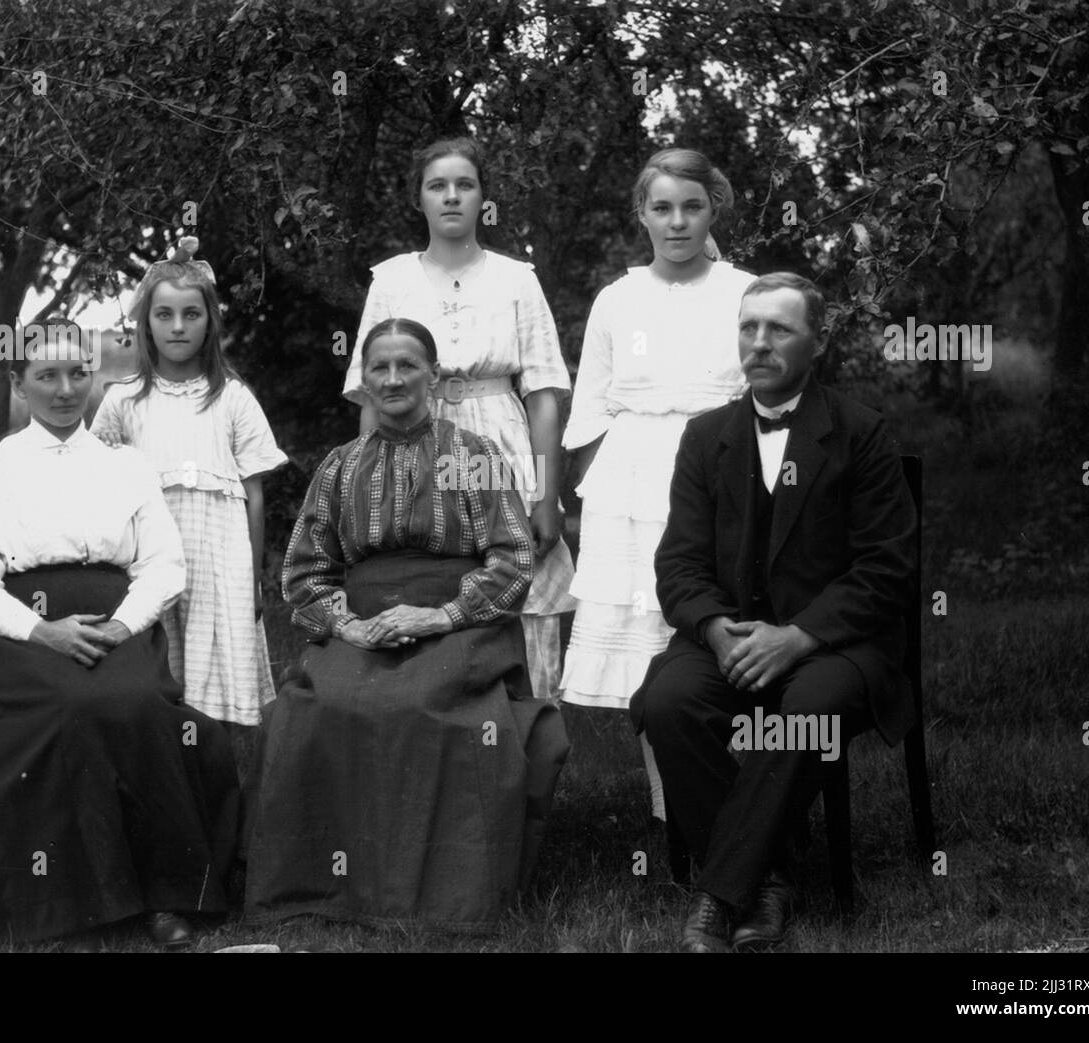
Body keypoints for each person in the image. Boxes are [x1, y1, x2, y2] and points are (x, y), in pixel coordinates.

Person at [247, 318, 569, 931]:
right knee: (317, 707)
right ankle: (323, 890)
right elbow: (306, 572)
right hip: (365, 622)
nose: (393, 378)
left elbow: (513, 558)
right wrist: (346, 626)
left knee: (427, 703)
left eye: (407, 366)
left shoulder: (474, 456)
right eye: (379, 368)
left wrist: (441, 614)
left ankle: (446, 902)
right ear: (363, 381)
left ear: (435, 376)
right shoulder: (340, 467)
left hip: (461, 624)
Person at [631, 272, 917, 952]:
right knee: (668, 701)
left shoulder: (862, 434)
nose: (758, 343)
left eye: (779, 330)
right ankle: (771, 877)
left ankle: (720, 892)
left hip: (836, 642)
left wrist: (799, 635)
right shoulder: (706, 437)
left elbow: (888, 568)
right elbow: (678, 563)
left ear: (816, 342)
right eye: (748, 328)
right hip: (730, 635)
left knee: (808, 709)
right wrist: (710, 628)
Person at [0, 321, 240, 950]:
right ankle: (62, 906)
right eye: (46, 376)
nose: (65, 389)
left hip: (114, 619)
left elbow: (164, 564)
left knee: (135, 708)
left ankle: (168, 895)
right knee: (69, 709)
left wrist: (123, 626)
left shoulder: (125, 466)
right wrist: (43, 631)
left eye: (79, 373)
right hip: (23, 633)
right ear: (19, 385)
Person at [560, 148, 756, 823]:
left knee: (722, 634)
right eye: (662, 208)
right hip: (636, 484)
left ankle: (745, 805)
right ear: (642, 213)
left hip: (727, 474)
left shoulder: (744, 293)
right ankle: (671, 812)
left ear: (713, 209)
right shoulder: (618, 299)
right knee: (649, 648)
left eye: (692, 206)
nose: (678, 222)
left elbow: (771, 398)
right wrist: (592, 500)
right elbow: (590, 410)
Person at [342, 136, 574, 702]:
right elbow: (373, 392)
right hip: (411, 439)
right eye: (437, 186)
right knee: (426, 573)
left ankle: (526, 736)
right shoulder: (392, 279)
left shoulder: (516, 278)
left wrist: (545, 495)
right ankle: (435, 733)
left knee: (513, 575)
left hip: (496, 434)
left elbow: (543, 390)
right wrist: (366, 484)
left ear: (481, 198)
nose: (452, 197)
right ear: (418, 199)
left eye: (464, 185)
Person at [92, 237, 287, 727]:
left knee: (210, 678)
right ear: (146, 323)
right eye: (164, 315)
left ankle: (213, 779)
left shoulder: (234, 400)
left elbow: (255, 496)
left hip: (218, 558)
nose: (178, 327)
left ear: (210, 321)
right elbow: (101, 491)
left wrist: (255, 579)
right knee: (155, 673)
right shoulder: (123, 402)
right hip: (148, 557)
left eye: (191, 314)